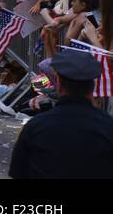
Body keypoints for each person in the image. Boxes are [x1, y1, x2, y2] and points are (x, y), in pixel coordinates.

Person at [9, 48, 113, 178]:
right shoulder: (108, 128)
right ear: (93, 85)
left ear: (59, 82)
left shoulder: (35, 127)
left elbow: (19, 173)